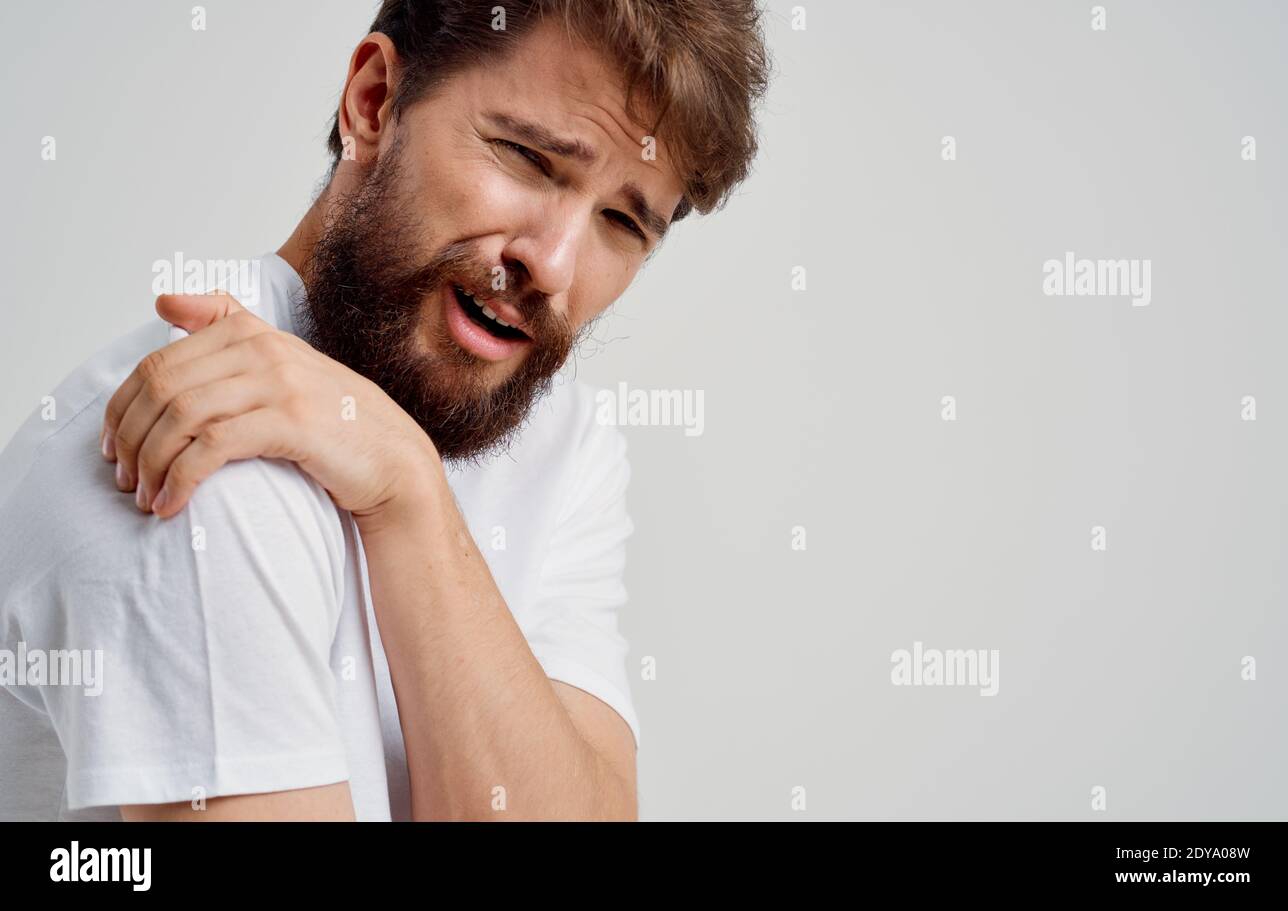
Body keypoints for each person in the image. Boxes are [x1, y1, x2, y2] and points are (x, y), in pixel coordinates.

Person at [0, 0, 769, 821]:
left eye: (621, 222)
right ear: (373, 101)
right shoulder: (204, 458)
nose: (551, 264)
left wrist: (408, 491)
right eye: (530, 160)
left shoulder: (560, 443)